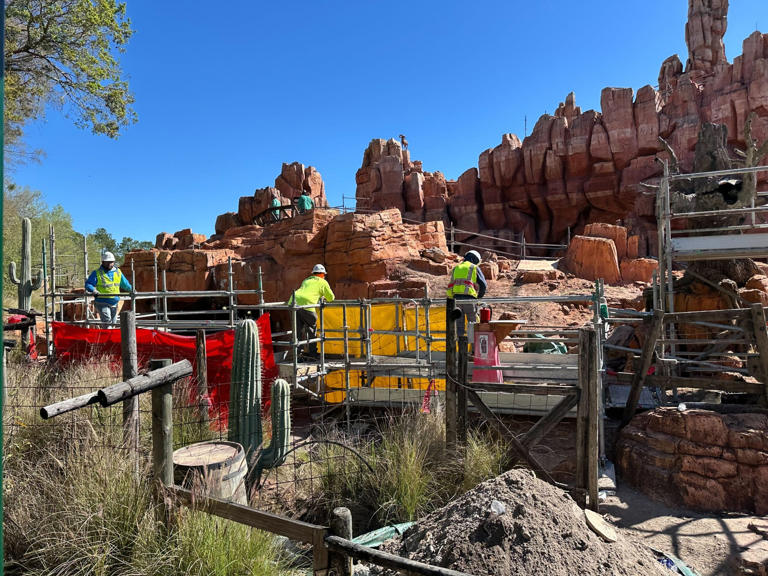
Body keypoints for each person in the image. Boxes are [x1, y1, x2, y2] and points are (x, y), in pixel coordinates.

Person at [287, 264, 335, 359]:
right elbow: (331, 298)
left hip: (293, 302)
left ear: (313, 273)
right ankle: (313, 353)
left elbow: (306, 292)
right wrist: (323, 297)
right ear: (322, 274)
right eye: (324, 275)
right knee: (312, 328)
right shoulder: (323, 282)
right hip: (307, 304)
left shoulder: (306, 280)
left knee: (297, 330)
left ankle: (298, 355)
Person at [445, 250, 487, 342]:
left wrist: (451, 299)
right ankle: (473, 350)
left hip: (456, 301)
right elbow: (483, 284)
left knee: (459, 325)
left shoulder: (456, 268)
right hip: (469, 299)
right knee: (473, 323)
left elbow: (450, 286)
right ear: (474, 259)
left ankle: (460, 350)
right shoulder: (473, 267)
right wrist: (479, 297)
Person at [85, 251, 132, 325]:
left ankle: (109, 335)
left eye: (111, 262)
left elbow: (125, 284)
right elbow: (88, 284)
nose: (110, 264)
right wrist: (93, 290)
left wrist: (132, 290)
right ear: (103, 262)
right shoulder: (97, 273)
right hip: (102, 301)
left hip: (114, 302)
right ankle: (106, 335)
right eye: (108, 262)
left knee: (113, 323)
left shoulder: (118, 272)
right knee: (107, 321)